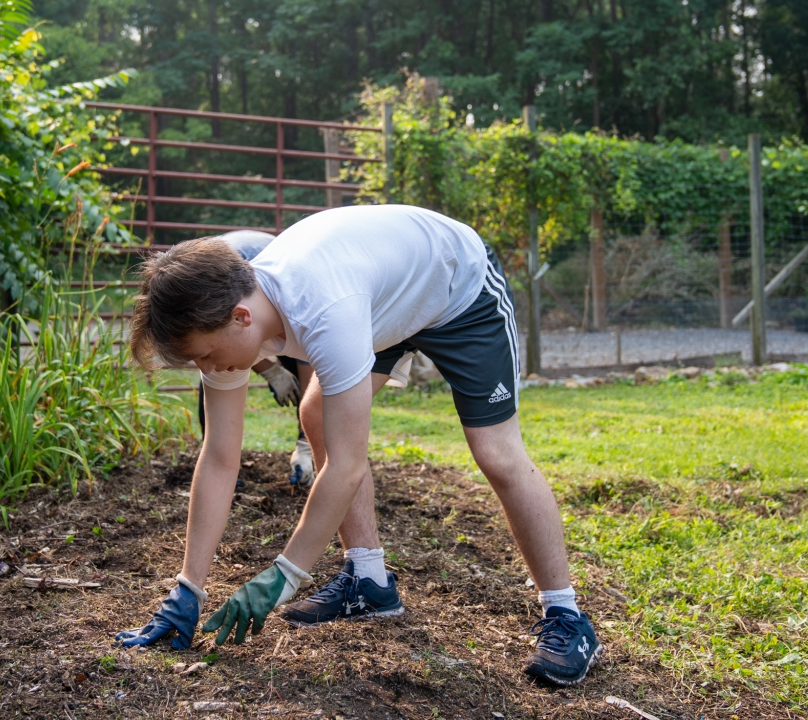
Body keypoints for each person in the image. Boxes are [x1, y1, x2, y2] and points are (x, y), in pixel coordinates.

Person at [116, 205, 602, 686]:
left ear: (241, 317)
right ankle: (368, 581)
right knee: (316, 416)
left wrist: (285, 576)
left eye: (205, 355)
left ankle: (567, 615)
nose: (210, 368)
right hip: (381, 298)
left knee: (495, 451)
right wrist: (188, 589)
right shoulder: (230, 325)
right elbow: (220, 458)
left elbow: (345, 469)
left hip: (456, 285)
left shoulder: (324, 311)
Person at [202, 230, 315, 485]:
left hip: (266, 289)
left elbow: (310, 368)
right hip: (229, 284)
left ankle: (310, 448)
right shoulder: (213, 297)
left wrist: (305, 443)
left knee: (305, 369)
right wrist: (270, 370)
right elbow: (230, 345)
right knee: (214, 367)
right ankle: (222, 465)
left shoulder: (298, 303)